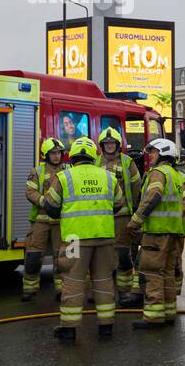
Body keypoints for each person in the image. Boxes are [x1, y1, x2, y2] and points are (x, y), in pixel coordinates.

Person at [45, 136, 125, 340]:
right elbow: (118, 203)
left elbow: (51, 206)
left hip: (74, 239)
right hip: (104, 236)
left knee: (72, 280)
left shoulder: (64, 177)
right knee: (104, 280)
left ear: (72, 157)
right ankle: (106, 325)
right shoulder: (108, 176)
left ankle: (69, 327)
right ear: (93, 155)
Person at [128, 138, 185, 329]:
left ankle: (154, 316)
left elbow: (152, 198)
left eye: (154, 152)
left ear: (163, 153)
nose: (150, 156)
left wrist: (136, 221)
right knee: (166, 273)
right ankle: (168, 312)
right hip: (172, 231)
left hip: (157, 232)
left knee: (152, 272)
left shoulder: (158, 173)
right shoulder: (174, 174)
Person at [97, 126, 143, 306]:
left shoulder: (127, 162)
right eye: (106, 143)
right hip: (101, 216)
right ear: (102, 145)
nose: (109, 146)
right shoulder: (96, 162)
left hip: (122, 215)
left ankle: (124, 292)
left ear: (118, 145)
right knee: (103, 254)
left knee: (123, 253)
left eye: (112, 143)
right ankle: (103, 292)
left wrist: (134, 207)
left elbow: (136, 184)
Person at [22, 138, 68, 300]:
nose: (56, 156)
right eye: (52, 153)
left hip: (61, 222)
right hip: (41, 221)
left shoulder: (68, 170)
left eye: (58, 153)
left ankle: (61, 290)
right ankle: (29, 289)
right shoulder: (37, 171)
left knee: (62, 257)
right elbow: (30, 192)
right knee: (33, 256)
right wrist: (46, 203)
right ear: (45, 155)